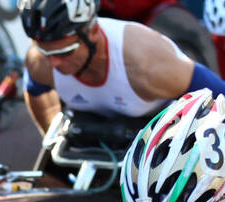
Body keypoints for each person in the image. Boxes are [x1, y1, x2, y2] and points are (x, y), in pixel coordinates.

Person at [20, 0, 225, 134]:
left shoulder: (146, 61)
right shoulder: (39, 61)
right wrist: (50, 134)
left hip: (161, 135)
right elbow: (37, 94)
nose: (53, 63)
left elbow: (221, 96)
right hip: (95, 137)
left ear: (92, 32)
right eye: (46, 52)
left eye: (64, 53)